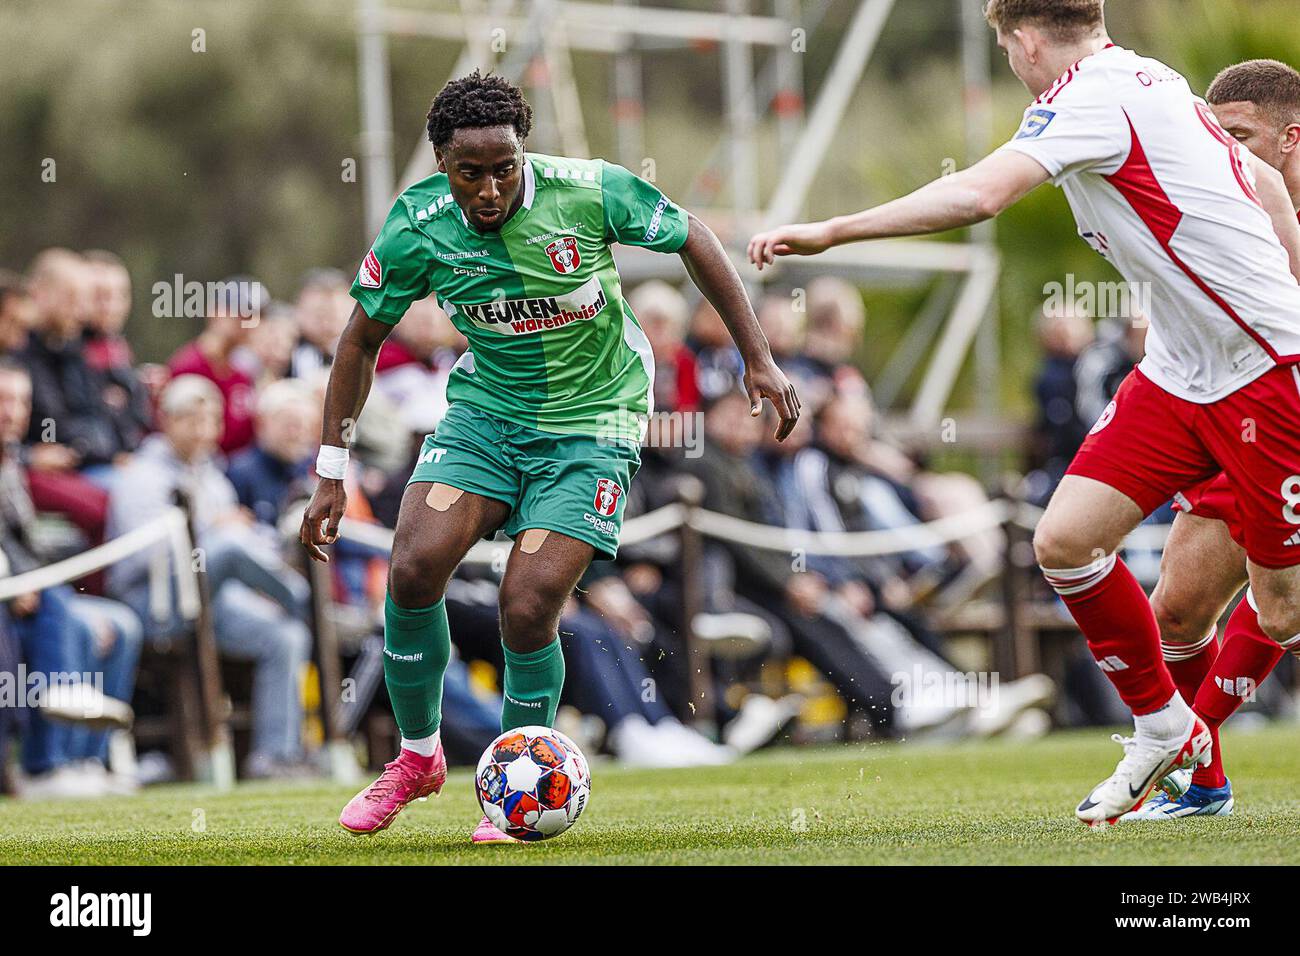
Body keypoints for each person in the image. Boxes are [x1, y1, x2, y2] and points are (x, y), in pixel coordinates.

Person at [748, 0, 1300, 826]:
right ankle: (1163, 731)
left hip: (1264, 373)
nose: (1012, 63)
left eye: (1007, 48)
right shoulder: (1152, 75)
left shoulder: (1089, 96)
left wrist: (833, 230)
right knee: (1065, 542)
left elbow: (978, 195)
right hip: (1183, 376)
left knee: (1283, 607)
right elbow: (1257, 178)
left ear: (1026, 39)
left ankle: (1186, 747)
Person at [300, 70, 799, 843]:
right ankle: (418, 757)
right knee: (411, 567)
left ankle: (511, 785)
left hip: (594, 423)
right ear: (444, 166)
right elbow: (359, 339)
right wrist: (331, 473)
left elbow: (695, 236)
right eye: (473, 174)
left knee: (528, 604)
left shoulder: (590, 190)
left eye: (506, 167)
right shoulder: (417, 225)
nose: (493, 187)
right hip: (486, 417)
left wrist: (756, 357)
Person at [1128, 59, 1300, 820]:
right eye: (1215, 135)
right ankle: (1202, 780)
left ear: (1291, 138)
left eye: (1242, 136)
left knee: (1284, 606)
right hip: (1235, 420)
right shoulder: (1214, 201)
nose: (1224, 151)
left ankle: (1184, 746)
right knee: (1174, 616)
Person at [108, 375, 312, 779]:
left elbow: (248, 536)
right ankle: (303, 599)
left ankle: (274, 758)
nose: (204, 430)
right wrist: (211, 528)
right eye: (192, 420)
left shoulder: (213, 476)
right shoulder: (140, 475)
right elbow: (140, 557)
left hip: (210, 602)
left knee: (286, 636)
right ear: (165, 420)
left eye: (211, 420)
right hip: (153, 605)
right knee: (229, 545)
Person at [167, 278, 263, 455]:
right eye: (242, 315)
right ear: (216, 313)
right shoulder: (189, 366)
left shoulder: (244, 371)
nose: (250, 325)